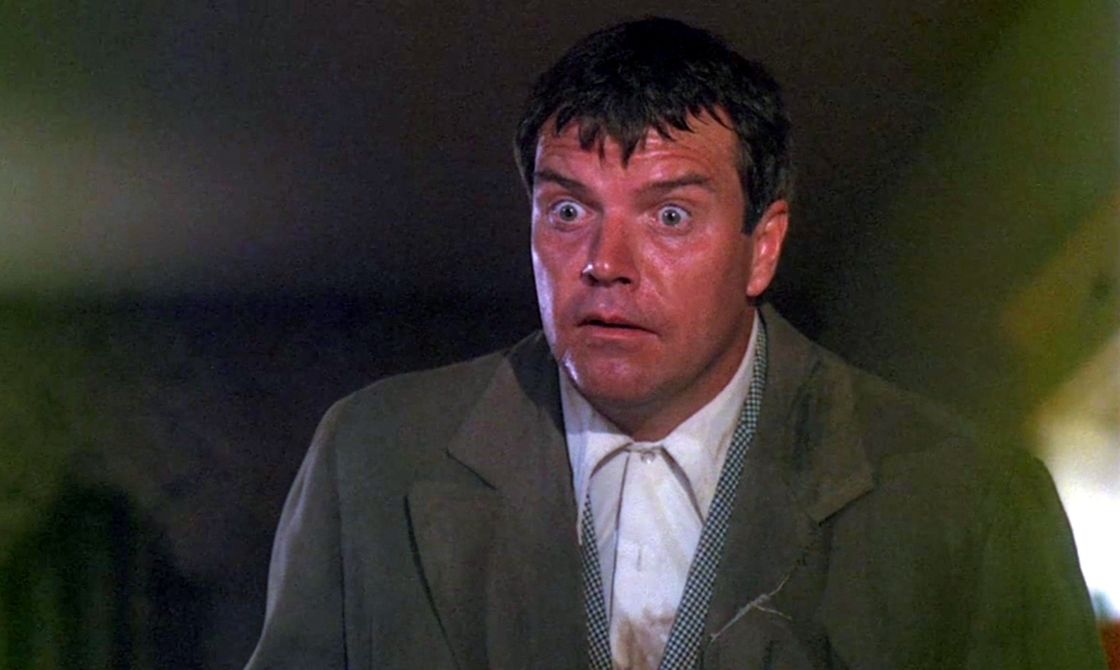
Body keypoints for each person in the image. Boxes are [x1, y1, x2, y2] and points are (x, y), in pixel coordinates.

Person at [245, 17, 1105, 670]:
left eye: (669, 216)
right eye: (568, 210)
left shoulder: (970, 503)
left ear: (762, 247)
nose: (605, 263)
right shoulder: (374, 455)